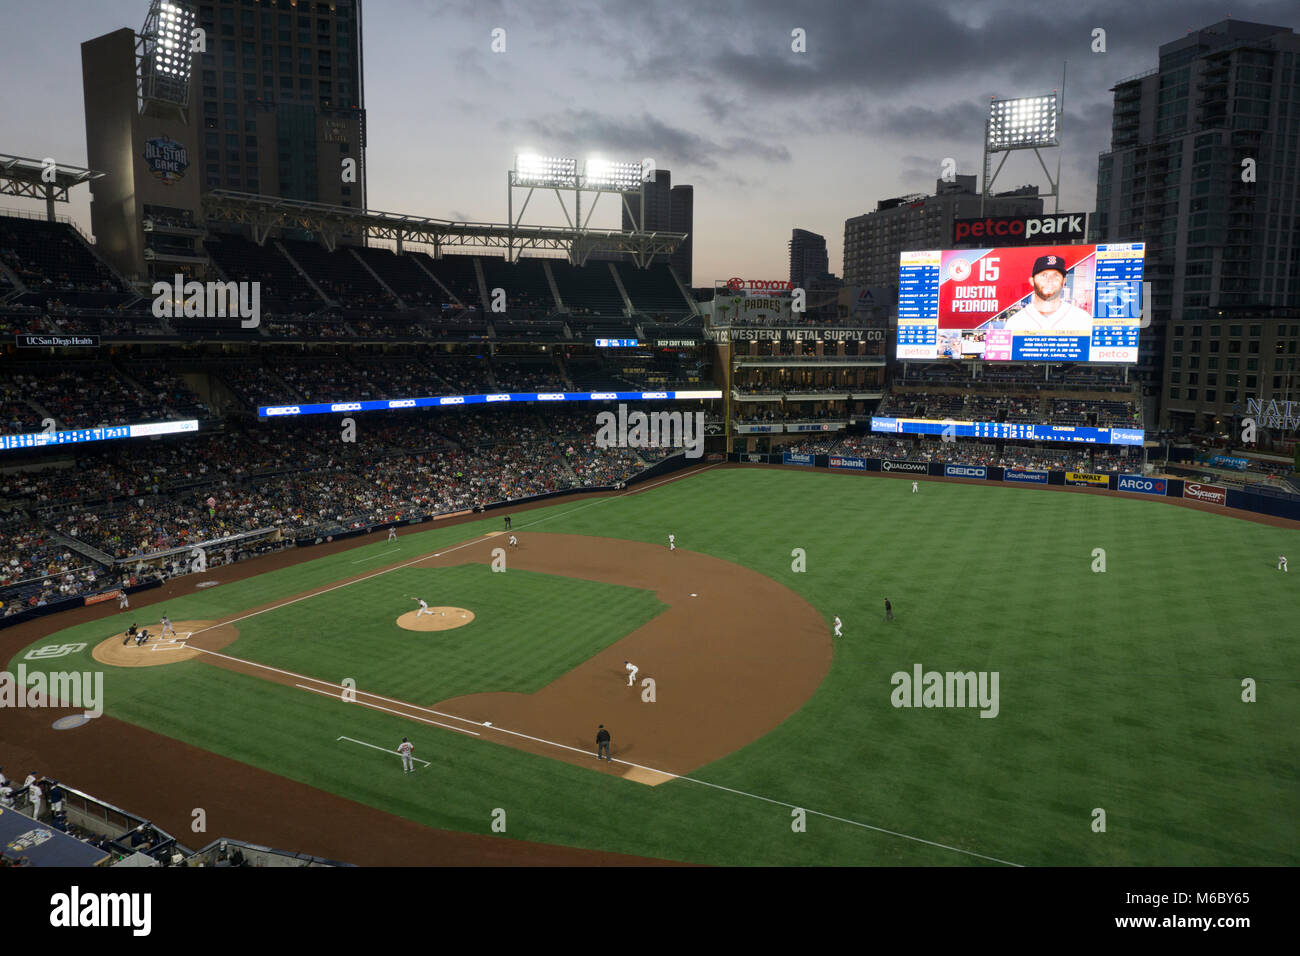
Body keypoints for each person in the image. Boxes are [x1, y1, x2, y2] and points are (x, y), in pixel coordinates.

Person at [1002, 255, 1093, 335]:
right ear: (1032, 281)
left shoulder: (1083, 319)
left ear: (1063, 281)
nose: (1050, 280)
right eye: (1044, 275)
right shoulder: (1015, 323)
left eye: (1056, 275)